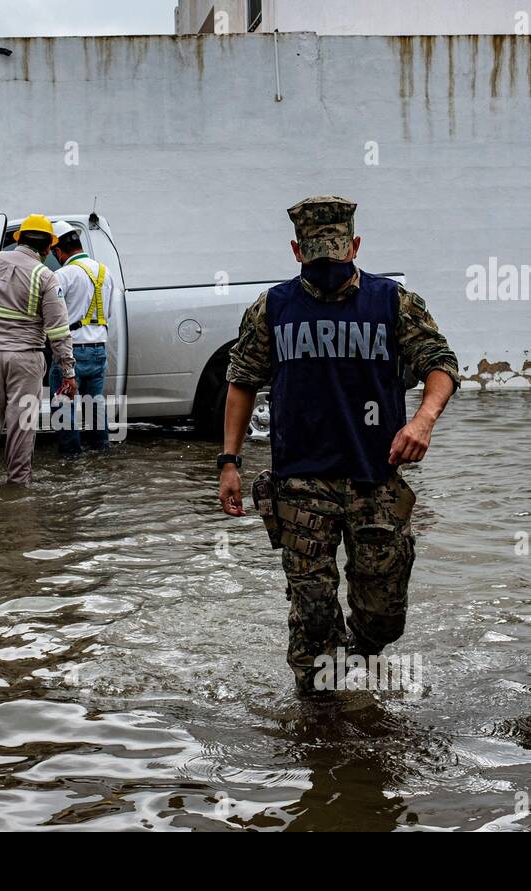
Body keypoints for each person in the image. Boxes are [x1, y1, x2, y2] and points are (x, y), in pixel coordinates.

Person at [218, 195, 459, 695]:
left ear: (355, 245)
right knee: (312, 612)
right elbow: (241, 381)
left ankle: (359, 659)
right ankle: (320, 727)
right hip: (301, 482)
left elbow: (441, 364)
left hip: (374, 478)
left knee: (384, 615)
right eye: (315, 254)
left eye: (336, 253)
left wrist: (423, 421)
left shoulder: (392, 302)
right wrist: (229, 462)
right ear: (295, 250)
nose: (327, 264)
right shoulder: (273, 308)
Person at [0, 214, 77, 485]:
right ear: (48, 247)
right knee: (21, 424)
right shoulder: (45, 276)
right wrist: (68, 371)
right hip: (25, 360)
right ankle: (17, 486)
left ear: (19, 239)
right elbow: (58, 331)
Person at [48, 220, 116, 456]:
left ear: (58, 251)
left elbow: (53, 316)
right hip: (99, 350)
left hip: (72, 351)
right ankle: (102, 450)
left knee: (63, 404)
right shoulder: (105, 273)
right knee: (95, 403)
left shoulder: (62, 275)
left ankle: (71, 457)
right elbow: (107, 314)